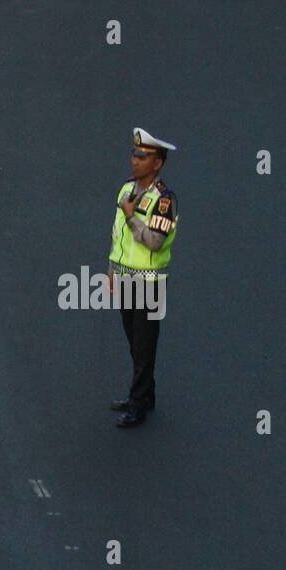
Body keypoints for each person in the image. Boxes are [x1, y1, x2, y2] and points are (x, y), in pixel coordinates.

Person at [108, 127, 179, 428]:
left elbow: (154, 242)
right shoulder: (126, 191)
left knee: (145, 345)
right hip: (125, 280)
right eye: (134, 154)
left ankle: (138, 403)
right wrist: (112, 269)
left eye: (143, 156)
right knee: (134, 342)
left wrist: (131, 216)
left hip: (148, 285)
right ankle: (145, 394)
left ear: (157, 163)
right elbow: (117, 235)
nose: (135, 161)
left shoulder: (165, 201)